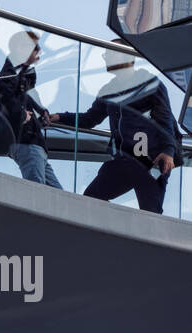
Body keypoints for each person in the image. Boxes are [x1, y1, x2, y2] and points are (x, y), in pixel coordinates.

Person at [50, 43, 180, 213]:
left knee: (150, 213)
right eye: (106, 54)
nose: (106, 58)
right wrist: (59, 117)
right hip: (125, 160)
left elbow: (166, 120)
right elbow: (90, 119)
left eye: (110, 54)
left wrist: (168, 152)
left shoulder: (150, 84)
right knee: (91, 198)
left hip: (151, 159)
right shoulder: (108, 90)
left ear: (127, 57)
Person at [0, 31, 62, 189]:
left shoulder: (22, 72)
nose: (38, 51)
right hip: (27, 142)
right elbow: (2, 91)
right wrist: (21, 114)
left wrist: (40, 110)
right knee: (37, 194)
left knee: (59, 197)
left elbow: (20, 95)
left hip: (34, 144)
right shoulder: (14, 66)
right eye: (34, 47)